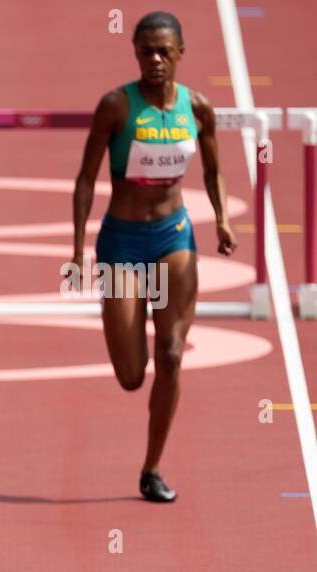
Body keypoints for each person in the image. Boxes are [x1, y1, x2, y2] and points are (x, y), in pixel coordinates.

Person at [72, 9, 236, 502]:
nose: (157, 60)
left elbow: (213, 172)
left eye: (166, 51)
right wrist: (77, 246)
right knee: (130, 376)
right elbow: (85, 179)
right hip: (122, 244)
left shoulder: (198, 108)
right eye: (147, 51)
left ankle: (152, 469)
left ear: (181, 53)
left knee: (171, 354)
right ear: (136, 54)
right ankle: (132, 322)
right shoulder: (116, 107)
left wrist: (223, 217)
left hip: (172, 237)